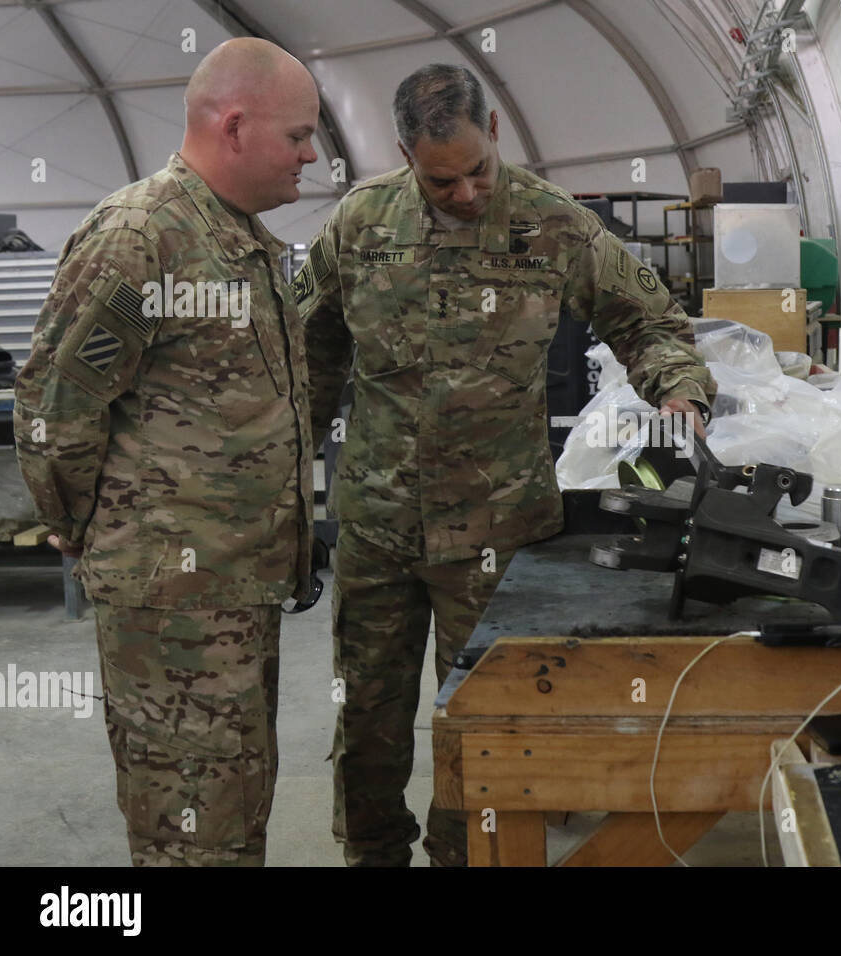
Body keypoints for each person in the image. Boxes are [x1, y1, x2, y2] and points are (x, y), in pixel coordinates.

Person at [298, 64, 717, 866]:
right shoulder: (359, 223)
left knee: (487, 725)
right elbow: (308, 352)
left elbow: (654, 325)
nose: (462, 193)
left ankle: (466, 859)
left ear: (496, 132)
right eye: (438, 179)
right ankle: (373, 854)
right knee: (369, 718)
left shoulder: (556, 226)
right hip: (378, 530)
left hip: (497, 531)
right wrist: (288, 477)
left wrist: (680, 399)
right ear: (403, 154)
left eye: (475, 172)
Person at [13, 37, 321, 866]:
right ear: (233, 126)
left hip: (237, 589)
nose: (313, 153)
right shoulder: (141, 236)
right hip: (171, 604)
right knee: (190, 830)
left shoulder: (238, 237)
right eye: (298, 135)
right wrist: (82, 528)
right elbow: (54, 408)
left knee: (238, 805)